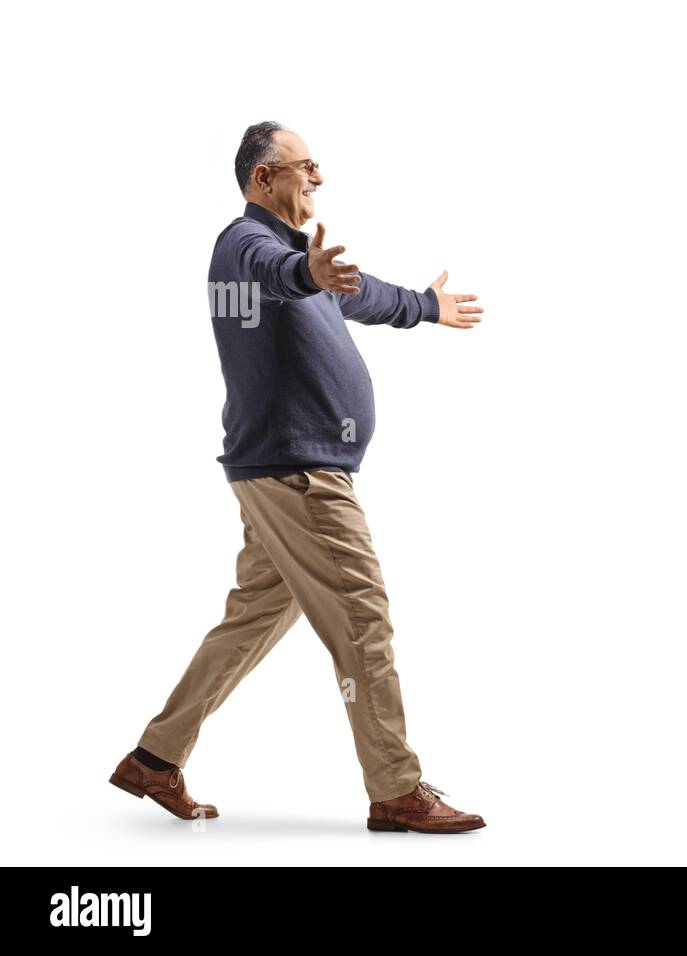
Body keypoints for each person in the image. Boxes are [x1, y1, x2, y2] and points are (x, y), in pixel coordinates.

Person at [109, 121, 487, 834]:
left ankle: (154, 760)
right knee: (363, 617)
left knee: (252, 616)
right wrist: (303, 274)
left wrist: (425, 307)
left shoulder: (299, 258)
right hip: (299, 473)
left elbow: (362, 292)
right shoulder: (248, 246)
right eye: (305, 166)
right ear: (264, 178)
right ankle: (396, 788)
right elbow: (273, 273)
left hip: (281, 468)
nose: (318, 177)